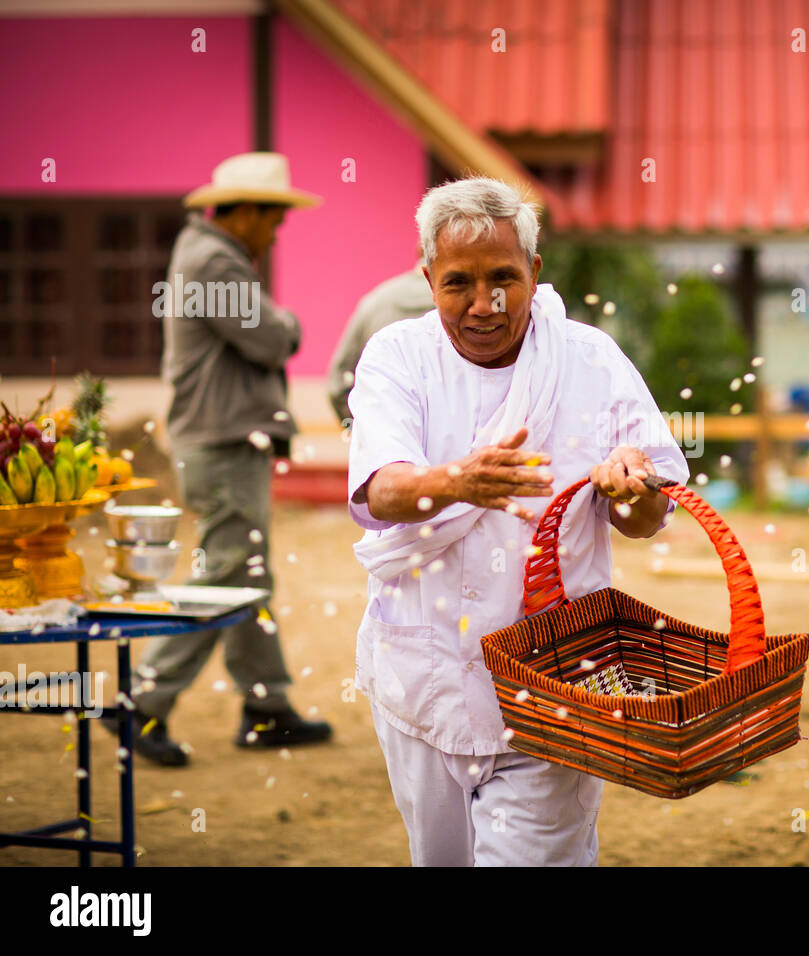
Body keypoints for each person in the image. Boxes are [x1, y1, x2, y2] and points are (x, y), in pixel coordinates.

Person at [347, 177, 688, 866]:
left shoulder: (591, 361)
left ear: (534, 272)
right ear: (426, 278)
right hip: (424, 674)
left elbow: (649, 516)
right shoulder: (396, 357)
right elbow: (378, 491)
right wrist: (456, 482)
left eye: (502, 278)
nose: (483, 304)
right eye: (457, 283)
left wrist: (629, 487)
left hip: (555, 682)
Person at [127, 152, 333, 766]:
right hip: (219, 442)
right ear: (245, 211)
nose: (277, 231)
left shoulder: (205, 254)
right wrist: (291, 323)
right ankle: (141, 702)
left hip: (221, 440)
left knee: (246, 575)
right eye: (273, 217)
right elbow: (271, 337)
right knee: (226, 575)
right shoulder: (213, 260)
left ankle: (266, 709)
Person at [326, 262, 432, 425]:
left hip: (385, 428)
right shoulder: (472, 306)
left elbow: (339, 383)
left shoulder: (375, 302)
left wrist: (363, 431)